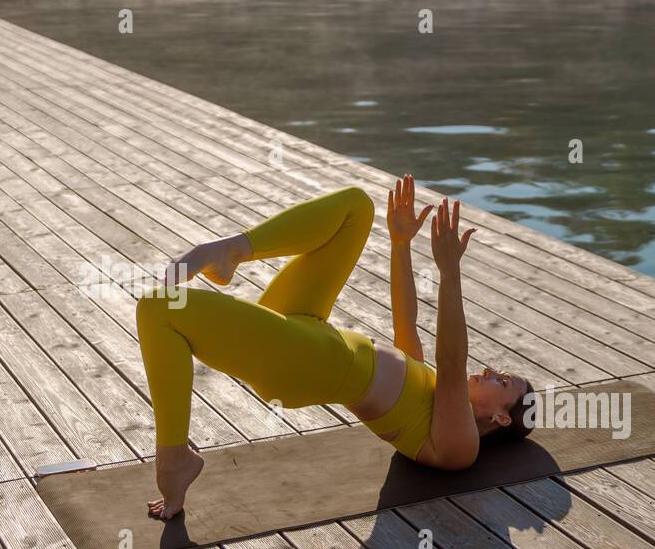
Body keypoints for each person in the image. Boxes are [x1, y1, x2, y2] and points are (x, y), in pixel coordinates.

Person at [135, 177, 533, 520]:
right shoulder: (431, 391)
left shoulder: (461, 447)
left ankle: (174, 458)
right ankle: (233, 250)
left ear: (500, 417)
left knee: (157, 307)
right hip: (309, 329)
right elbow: (405, 321)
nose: (488, 371)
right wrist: (400, 242)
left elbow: (451, 359)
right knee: (356, 207)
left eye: (501, 381)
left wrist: (449, 271)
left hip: (305, 361)